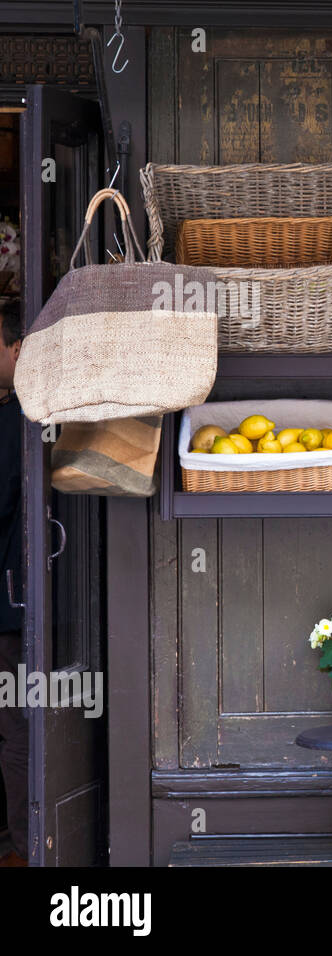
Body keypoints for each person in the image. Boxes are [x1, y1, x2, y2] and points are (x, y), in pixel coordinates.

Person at [0, 301, 26, 866]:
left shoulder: (16, 417)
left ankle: (28, 849)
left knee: (19, 733)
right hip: (24, 598)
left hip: (16, 604)